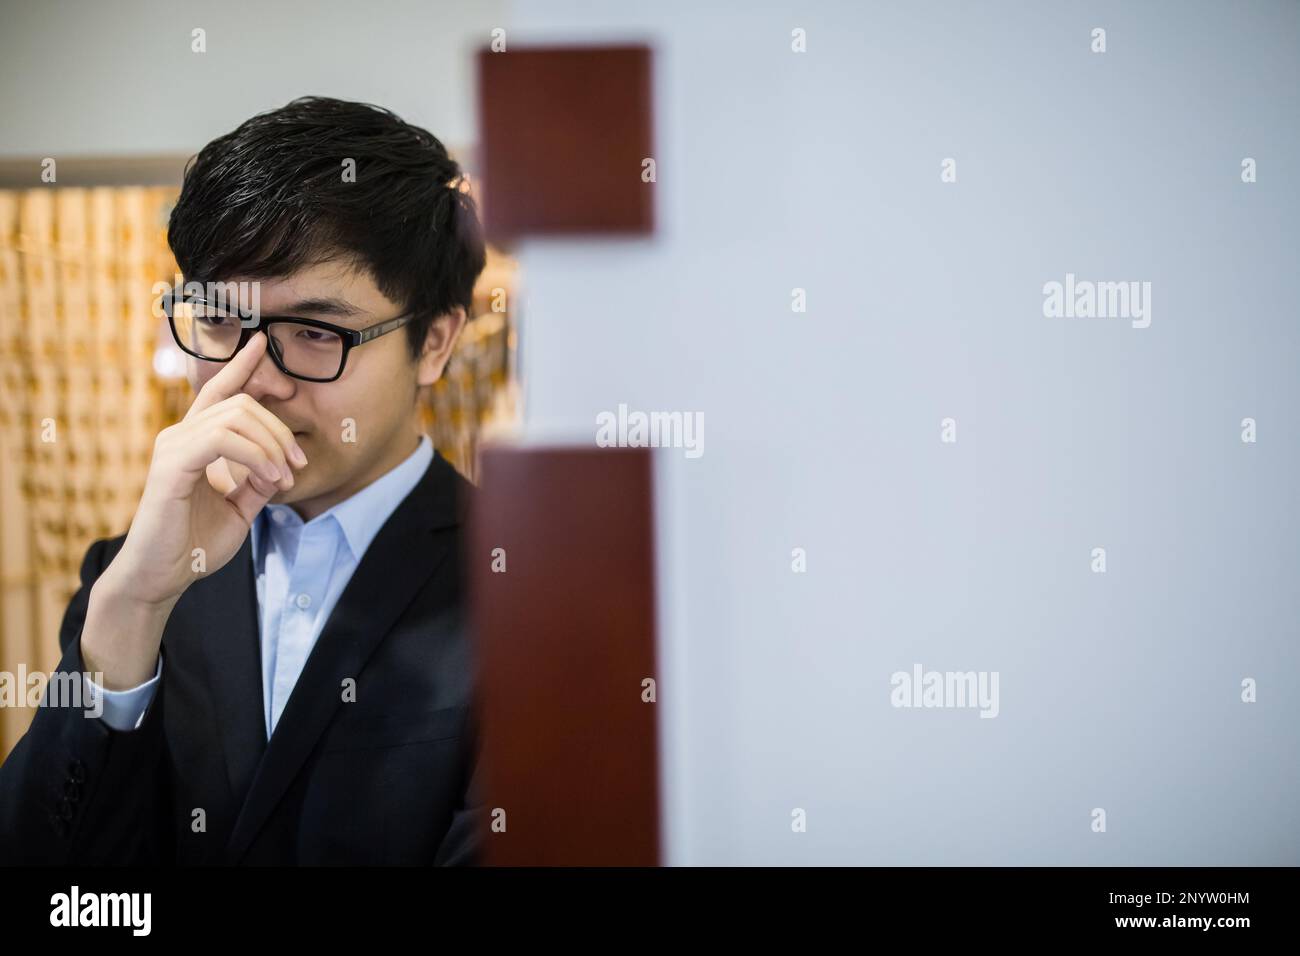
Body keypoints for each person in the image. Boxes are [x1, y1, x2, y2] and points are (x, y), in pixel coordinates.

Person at [0, 96, 487, 864]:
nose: (252, 379)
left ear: (433, 342)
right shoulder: (131, 579)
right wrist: (132, 605)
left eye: (315, 332)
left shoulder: (529, 592)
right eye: (220, 323)